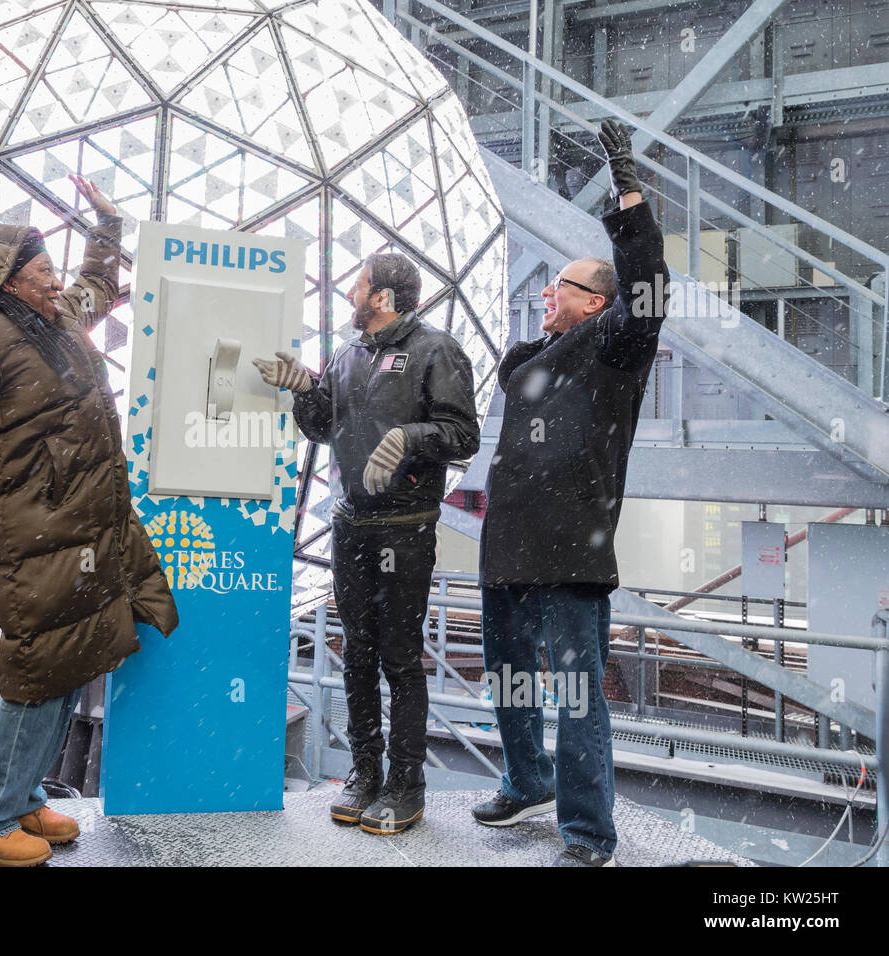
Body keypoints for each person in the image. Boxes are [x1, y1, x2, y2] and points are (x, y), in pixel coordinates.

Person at [0, 175, 178, 867]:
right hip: (30, 530)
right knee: (39, 668)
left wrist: (106, 229)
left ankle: (21, 795)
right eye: (40, 272)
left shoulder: (56, 319)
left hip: (81, 525)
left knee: (73, 662)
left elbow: (97, 284)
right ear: (4, 280)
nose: (54, 280)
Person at [471, 119, 669, 866]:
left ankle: (587, 833)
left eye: (563, 285)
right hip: (509, 544)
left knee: (576, 696)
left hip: (569, 551)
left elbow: (646, 283)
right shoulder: (541, 356)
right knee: (511, 679)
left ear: (597, 303)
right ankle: (527, 779)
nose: (547, 292)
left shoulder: (616, 345)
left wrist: (629, 193)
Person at [254, 253, 479, 835]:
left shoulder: (437, 350)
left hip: (405, 527)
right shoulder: (349, 353)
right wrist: (305, 386)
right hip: (350, 524)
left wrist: (408, 436)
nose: (348, 293)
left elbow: (464, 435)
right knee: (356, 651)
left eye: (357, 285)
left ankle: (407, 784)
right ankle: (363, 773)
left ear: (380, 297)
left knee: (399, 657)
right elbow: (324, 425)